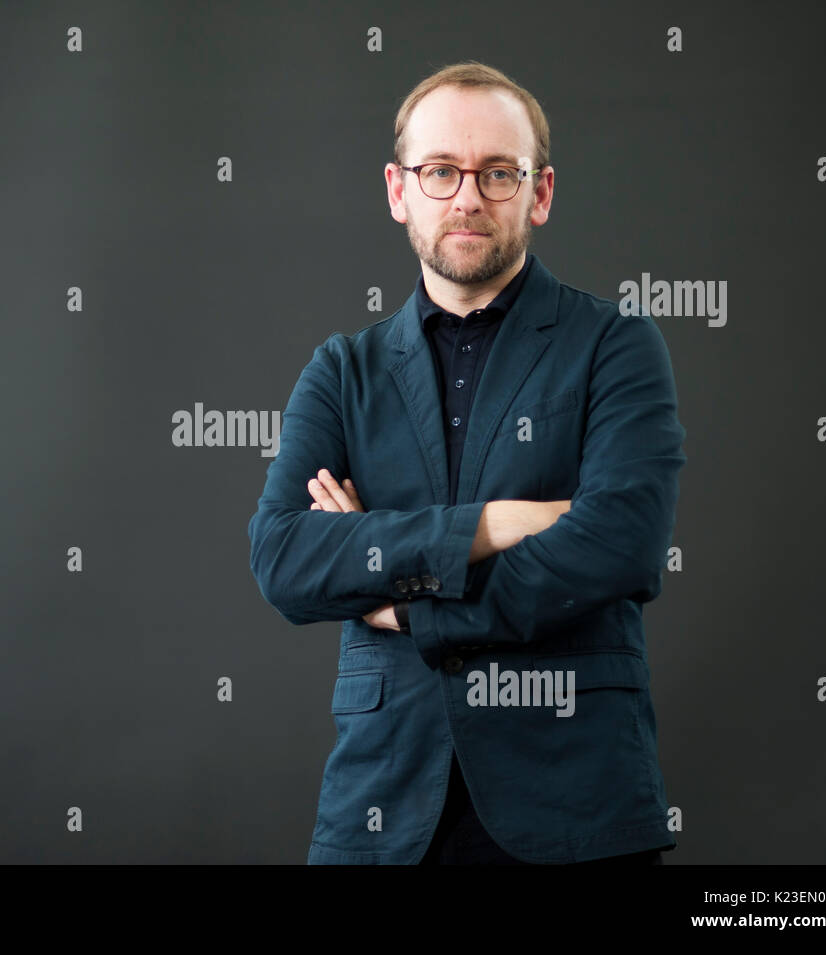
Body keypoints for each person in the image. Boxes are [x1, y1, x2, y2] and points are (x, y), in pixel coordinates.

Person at [246, 61, 685, 864]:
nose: (467, 196)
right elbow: (283, 557)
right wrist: (490, 525)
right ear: (398, 190)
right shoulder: (341, 373)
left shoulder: (616, 346)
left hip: (576, 802)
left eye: (497, 173)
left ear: (540, 193)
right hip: (379, 812)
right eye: (440, 170)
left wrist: (412, 606)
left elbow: (618, 543)